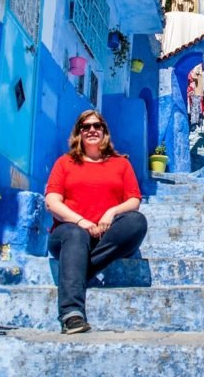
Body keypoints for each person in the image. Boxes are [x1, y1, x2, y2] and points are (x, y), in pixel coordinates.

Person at [45, 109, 148, 334]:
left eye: (97, 126)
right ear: (79, 133)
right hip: (68, 235)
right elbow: (52, 202)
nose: (92, 130)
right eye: (86, 127)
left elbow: (134, 200)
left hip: (105, 237)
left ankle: (78, 268)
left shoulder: (121, 164)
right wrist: (80, 221)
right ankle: (72, 314)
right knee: (75, 234)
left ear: (104, 131)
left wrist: (111, 212)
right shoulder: (65, 163)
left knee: (136, 222)